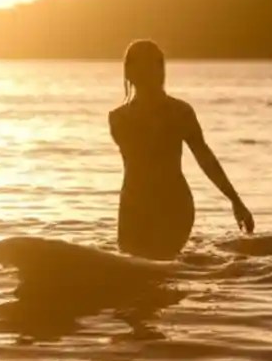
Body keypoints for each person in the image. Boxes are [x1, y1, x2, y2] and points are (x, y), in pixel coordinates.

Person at [109, 39, 254, 260]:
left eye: (153, 65)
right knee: (134, 272)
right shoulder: (118, 118)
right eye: (139, 65)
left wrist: (235, 201)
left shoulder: (180, 113)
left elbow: (205, 158)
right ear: (128, 72)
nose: (146, 71)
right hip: (133, 205)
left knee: (163, 267)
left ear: (161, 70)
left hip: (173, 204)